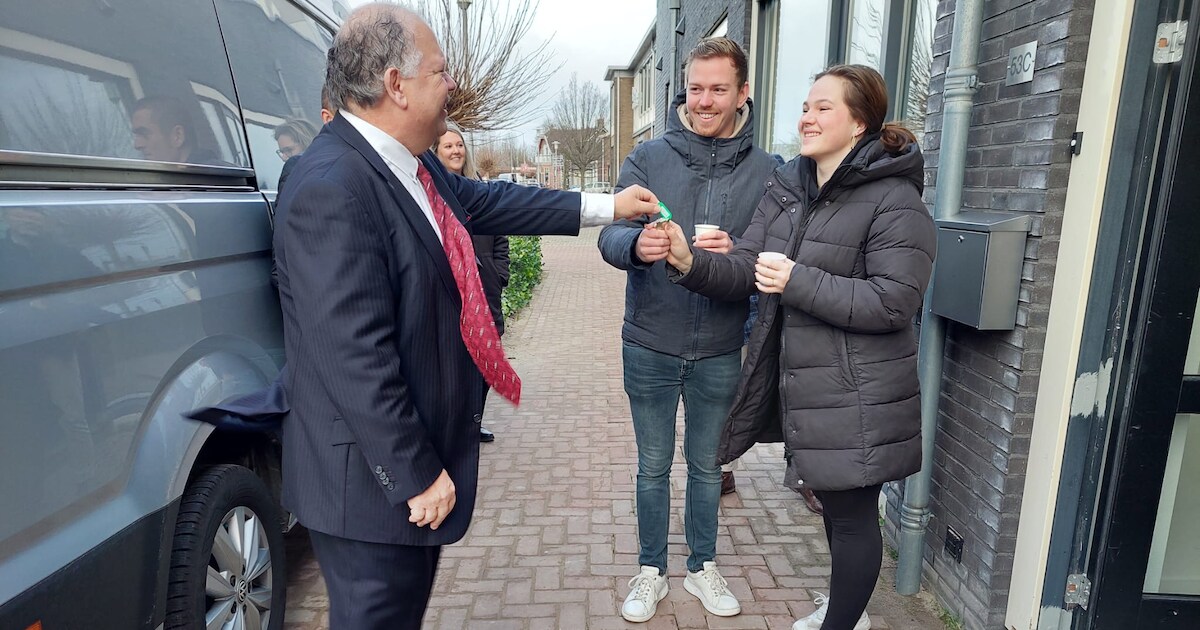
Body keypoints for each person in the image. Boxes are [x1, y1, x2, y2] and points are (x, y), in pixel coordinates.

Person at [272, 5, 659, 629]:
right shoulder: (331, 184)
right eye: (440, 70)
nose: (452, 84)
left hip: (402, 479)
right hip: (372, 490)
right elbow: (350, 354)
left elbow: (491, 199)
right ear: (396, 84)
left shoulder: (409, 164)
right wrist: (416, 473)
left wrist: (604, 205)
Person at [660, 64, 936, 630]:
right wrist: (691, 262)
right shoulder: (791, 187)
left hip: (861, 389)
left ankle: (843, 621)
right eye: (806, 106)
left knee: (854, 515)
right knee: (836, 510)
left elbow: (894, 302)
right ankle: (844, 612)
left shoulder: (893, 199)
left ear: (859, 123)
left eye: (823, 107)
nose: (806, 117)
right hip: (812, 385)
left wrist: (796, 280)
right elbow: (749, 266)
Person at [597, 37, 778, 623]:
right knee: (652, 466)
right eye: (696, 87)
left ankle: (701, 567)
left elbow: (772, 260)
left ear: (742, 92)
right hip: (649, 340)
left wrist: (739, 253)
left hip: (721, 348)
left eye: (718, 89)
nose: (704, 100)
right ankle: (651, 569)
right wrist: (636, 244)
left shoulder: (767, 171)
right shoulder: (649, 159)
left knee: (706, 468)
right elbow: (607, 235)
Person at [435, 121, 508, 443]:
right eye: (448, 146)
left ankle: (474, 422)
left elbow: (503, 236)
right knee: (455, 364)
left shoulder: (480, 191)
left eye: (459, 145)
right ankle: (457, 425)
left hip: (486, 291)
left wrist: (499, 273)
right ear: (436, 152)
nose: (455, 150)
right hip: (453, 296)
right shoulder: (433, 192)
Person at [130, 96, 215, 163]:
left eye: (144, 133)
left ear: (177, 136)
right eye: (137, 135)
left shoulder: (218, 180)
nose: (137, 145)